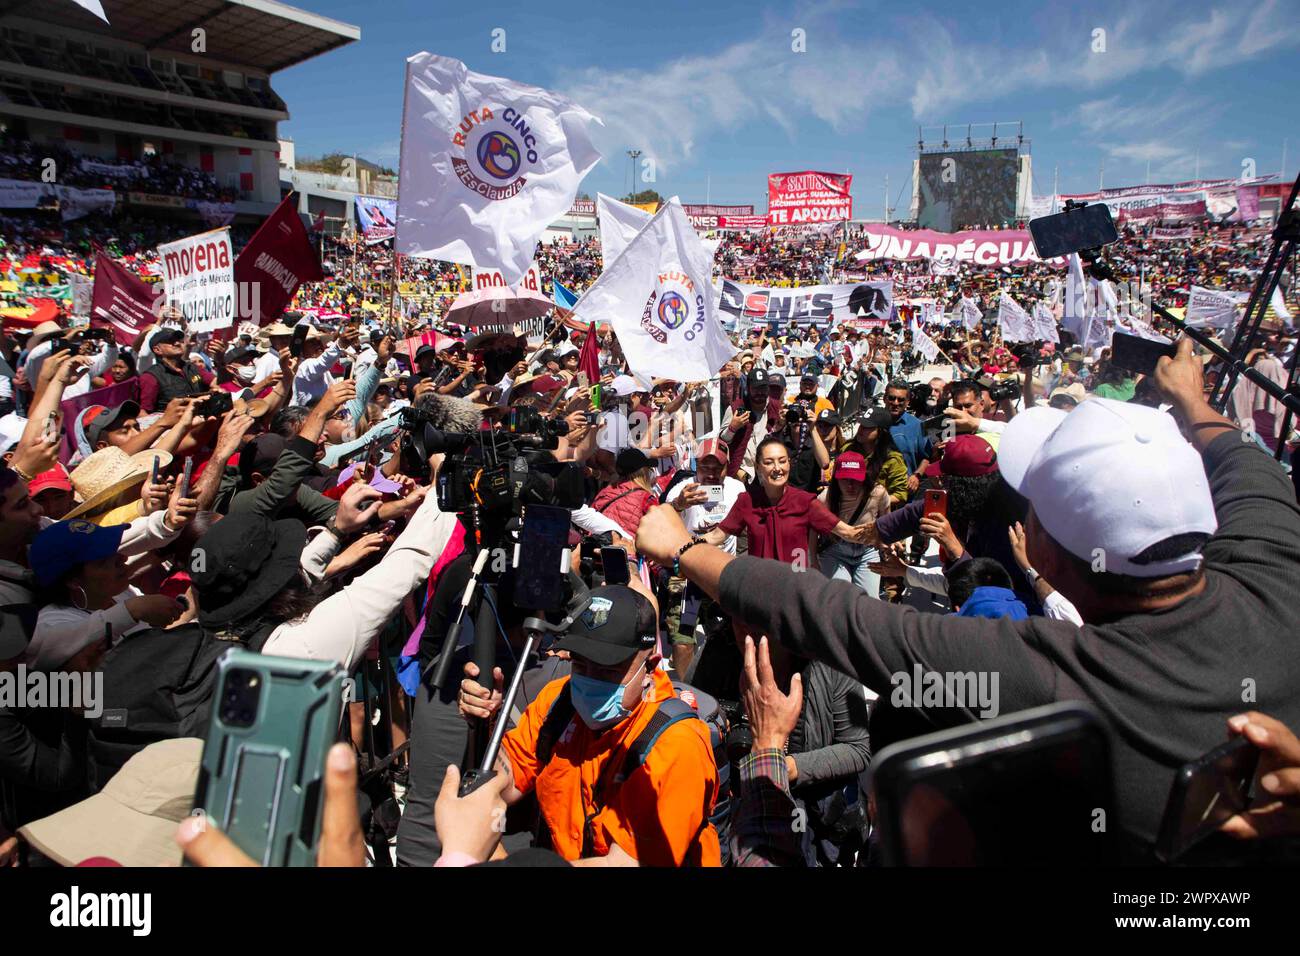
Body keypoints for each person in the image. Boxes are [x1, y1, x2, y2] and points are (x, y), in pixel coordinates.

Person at [636, 337, 1300, 860]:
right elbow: (1247, 463)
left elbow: (830, 613)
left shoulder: (1045, 676)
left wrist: (683, 549)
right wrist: (1195, 402)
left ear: (1043, 550)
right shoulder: (1278, 572)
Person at [458, 585, 721, 866]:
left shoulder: (677, 744)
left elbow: (623, 863)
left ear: (650, 665)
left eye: (608, 670)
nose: (591, 680)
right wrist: (488, 721)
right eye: (581, 665)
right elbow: (503, 784)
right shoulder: (558, 702)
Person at [707, 436, 871, 567]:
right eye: (769, 462)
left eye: (782, 461)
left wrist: (885, 532)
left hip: (795, 586)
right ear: (758, 467)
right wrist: (684, 546)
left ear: (789, 464)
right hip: (760, 586)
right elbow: (716, 536)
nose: (777, 468)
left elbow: (847, 532)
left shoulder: (805, 502)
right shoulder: (747, 500)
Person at [817, 451, 891, 597]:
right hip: (835, 551)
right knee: (840, 599)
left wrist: (888, 545)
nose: (850, 485)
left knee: (870, 602)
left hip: (867, 552)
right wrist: (812, 558)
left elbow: (887, 522)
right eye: (845, 479)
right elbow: (813, 529)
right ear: (836, 478)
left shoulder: (878, 493)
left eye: (855, 479)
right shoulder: (825, 498)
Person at [138, 327, 211, 412]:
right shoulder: (150, 377)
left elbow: (217, 383)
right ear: (157, 350)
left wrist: (220, 360)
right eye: (170, 341)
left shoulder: (193, 368)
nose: (177, 343)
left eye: (179, 340)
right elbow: (144, 412)